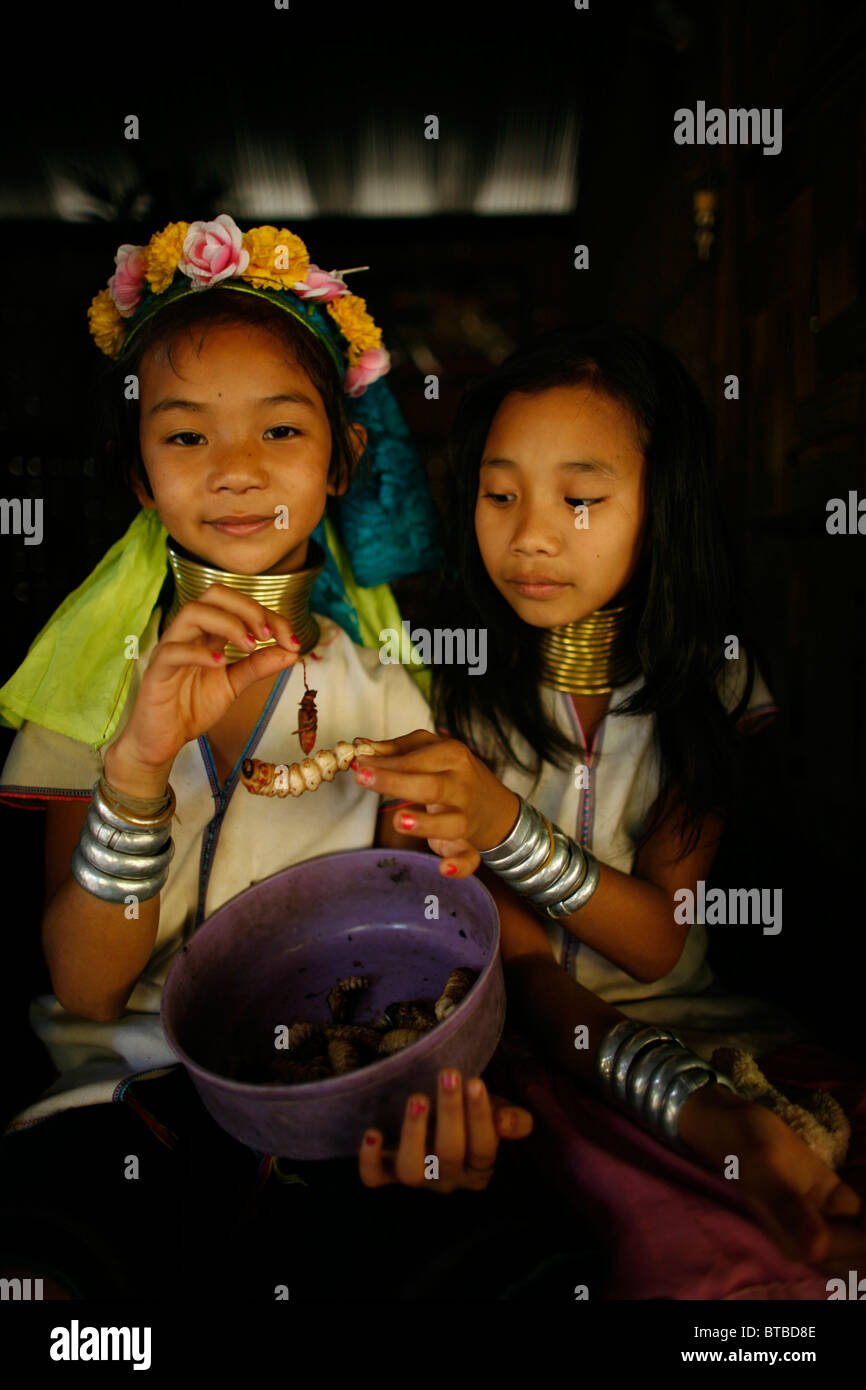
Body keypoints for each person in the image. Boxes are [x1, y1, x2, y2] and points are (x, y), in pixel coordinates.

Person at [0, 216, 556, 1300]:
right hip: (125, 1103)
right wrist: (139, 761)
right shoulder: (91, 682)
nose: (237, 473)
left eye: (281, 432)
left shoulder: (380, 691)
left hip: (329, 1098)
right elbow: (85, 980)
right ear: (136, 471)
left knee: (511, 1257)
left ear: (344, 458)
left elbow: (420, 936)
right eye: (187, 436)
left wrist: (428, 1075)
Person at [348, 324, 866, 1294]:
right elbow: (529, 971)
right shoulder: (435, 691)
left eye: (579, 499)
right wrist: (690, 1106)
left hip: (716, 1029)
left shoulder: (706, 678)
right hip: (542, 1045)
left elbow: (659, 944)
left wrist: (501, 822)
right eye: (498, 494)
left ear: (656, 509)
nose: (531, 533)